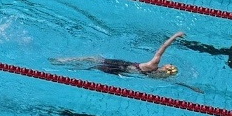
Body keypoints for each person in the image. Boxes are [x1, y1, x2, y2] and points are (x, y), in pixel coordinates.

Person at [55, 31, 187, 81]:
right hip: (120, 71)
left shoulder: (153, 64)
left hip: (121, 65)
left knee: (93, 58)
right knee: (94, 66)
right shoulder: (158, 76)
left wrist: (175, 36)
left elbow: (163, 47)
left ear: (167, 67)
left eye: (170, 65)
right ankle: (68, 66)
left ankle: (63, 61)